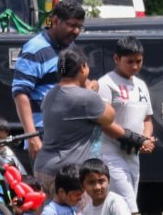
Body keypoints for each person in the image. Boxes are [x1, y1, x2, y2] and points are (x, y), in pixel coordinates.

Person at [32, 49, 141, 190]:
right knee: (79, 213)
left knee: (50, 212)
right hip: (70, 174)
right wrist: (91, 91)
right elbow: (109, 117)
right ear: (83, 67)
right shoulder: (86, 97)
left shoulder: (50, 94)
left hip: (43, 169)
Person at [12, 0, 88, 159]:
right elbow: (20, 93)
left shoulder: (70, 47)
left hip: (69, 137)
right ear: (55, 21)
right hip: (44, 137)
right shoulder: (35, 49)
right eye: (72, 25)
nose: (76, 31)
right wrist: (32, 136)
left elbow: (70, 81)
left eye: (79, 27)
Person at [96, 36, 155, 211]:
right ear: (116, 59)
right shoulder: (106, 83)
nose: (135, 66)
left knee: (126, 200)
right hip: (110, 153)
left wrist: (145, 139)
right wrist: (137, 140)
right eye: (129, 62)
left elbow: (147, 119)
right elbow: (103, 123)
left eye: (139, 61)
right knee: (128, 204)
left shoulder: (141, 85)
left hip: (133, 154)